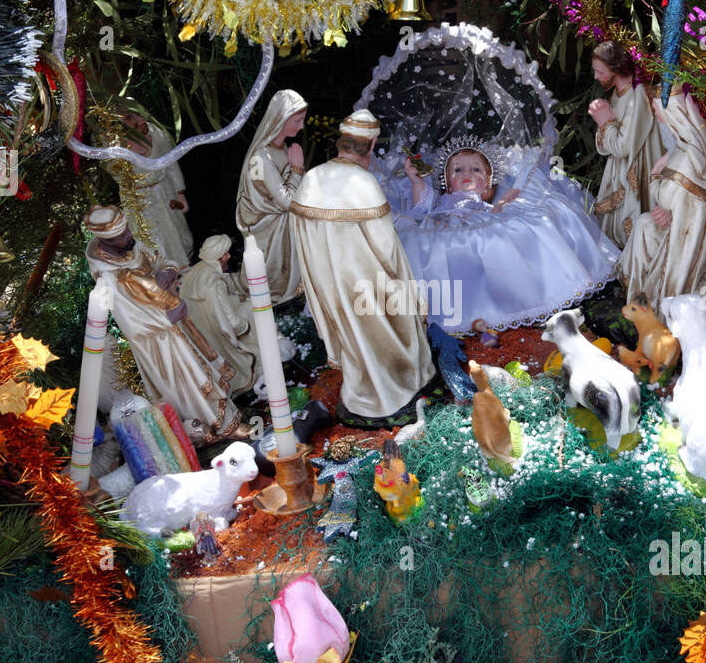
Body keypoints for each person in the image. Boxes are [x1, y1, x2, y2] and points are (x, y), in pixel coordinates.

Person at [289, 110, 436, 427]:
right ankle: (397, 390)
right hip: (368, 280)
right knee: (392, 331)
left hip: (331, 283)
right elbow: (386, 247)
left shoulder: (312, 178)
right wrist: (403, 283)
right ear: (369, 147)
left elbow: (300, 235)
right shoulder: (363, 182)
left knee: (355, 340)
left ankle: (362, 394)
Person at [392, 136, 620, 334]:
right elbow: (421, 209)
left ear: (487, 185)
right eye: (458, 170)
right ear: (448, 185)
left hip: (474, 233)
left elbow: (499, 215)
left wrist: (505, 200)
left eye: (476, 169)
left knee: (491, 238)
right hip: (443, 231)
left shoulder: (481, 205)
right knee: (422, 235)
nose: (466, 173)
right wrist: (416, 180)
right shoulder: (441, 201)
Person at [83, 206, 248, 444]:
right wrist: (167, 318)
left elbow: (160, 259)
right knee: (185, 383)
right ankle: (212, 430)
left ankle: (224, 421)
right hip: (157, 341)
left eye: (127, 230)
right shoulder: (108, 277)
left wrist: (168, 271)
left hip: (175, 325)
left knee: (200, 371)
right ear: (104, 240)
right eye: (120, 236)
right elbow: (129, 322)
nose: (129, 236)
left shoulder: (129, 246)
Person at [618, 86, 706, 311]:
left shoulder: (687, 156)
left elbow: (664, 197)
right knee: (646, 224)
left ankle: (645, 303)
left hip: (681, 245)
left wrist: (656, 173)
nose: (658, 117)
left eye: (658, 112)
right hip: (697, 238)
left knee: (645, 226)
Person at [588, 40, 665, 248]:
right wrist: (604, 124)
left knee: (634, 227)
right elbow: (606, 147)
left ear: (616, 69)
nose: (596, 77)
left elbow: (624, 147)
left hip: (637, 167)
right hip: (619, 169)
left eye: (600, 71)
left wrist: (605, 122)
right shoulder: (618, 91)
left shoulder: (637, 93)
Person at [235, 89, 307, 303]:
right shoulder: (261, 157)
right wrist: (296, 170)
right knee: (269, 279)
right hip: (266, 227)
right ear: (281, 118)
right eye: (298, 120)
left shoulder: (281, 146)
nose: (301, 126)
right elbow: (286, 202)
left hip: (281, 223)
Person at [115, 109, 195, 270]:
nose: (135, 119)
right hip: (139, 197)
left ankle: (185, 270)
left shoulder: (156, 132)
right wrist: (129, 153)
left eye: (134, 115)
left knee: (176, 232)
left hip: (164, 190)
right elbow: (116, 174)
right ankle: (159, 275)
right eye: (127, 117)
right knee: (152, 238)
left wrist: (180, 193)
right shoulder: (114, 142)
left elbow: (171, 163)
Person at [180, 235, 258, 397]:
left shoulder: (192, 273)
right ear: (217, 256)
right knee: (253, 310)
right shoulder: (214, 283)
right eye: (225, 253)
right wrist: (247, 324)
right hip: (217, 336)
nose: (228, 256)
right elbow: (229, 322)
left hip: (198, 334)